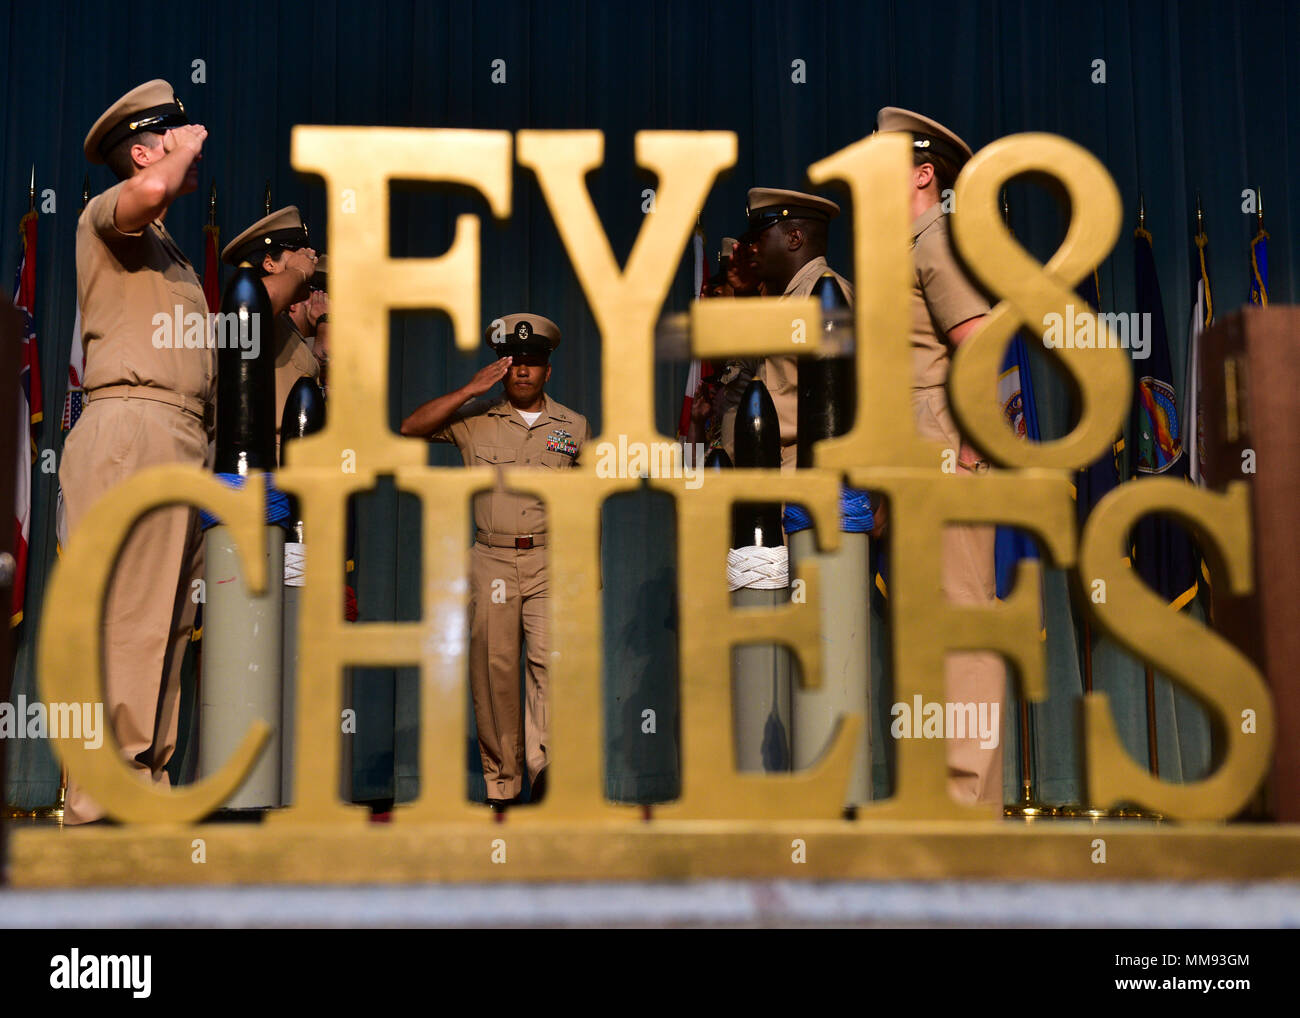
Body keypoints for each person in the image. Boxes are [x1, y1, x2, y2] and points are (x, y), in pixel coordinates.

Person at [60, 79, 211, 824]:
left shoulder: (170, 253)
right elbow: (146, 194)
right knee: (127, 610)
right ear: (147, 148)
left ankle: (143, 778)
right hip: (132, 425)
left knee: (168, 616)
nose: (196, 145)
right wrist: (174, 160)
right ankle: (104, 792)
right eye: (177, 138)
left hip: (180, 433)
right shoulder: (108, 215)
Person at [400, 314, 588, 807]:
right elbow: (411, 427)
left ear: (549, 371)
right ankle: (503, 780)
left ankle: (546, 769)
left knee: (552, 665)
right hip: (491, 560)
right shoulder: (475, 418)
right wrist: (469, 389)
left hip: (550, 558)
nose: (523, 371)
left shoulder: (573, 425)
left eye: (533, 363)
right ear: (502, 369)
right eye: (514, 363)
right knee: (495, 670)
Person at [876, 105, 1003, 807]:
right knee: (929, 628)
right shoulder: (900, 249)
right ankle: (939, 798)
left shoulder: (936, 241)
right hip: (914, 452)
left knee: (963, 626)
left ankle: (968, 805)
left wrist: (974, 454)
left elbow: (980, 344)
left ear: (923, 173)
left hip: (946, 447)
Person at [716, 189, 853, 470]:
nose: (750, 248)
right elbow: (742, 383)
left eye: (759, 238)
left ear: (794, 238)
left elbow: (853, 399)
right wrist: (744, 298)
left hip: (808, 475)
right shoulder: (785, 301)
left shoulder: (826, 294)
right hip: (772, 472)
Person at [220, 206, 322, 451]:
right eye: (296, 253)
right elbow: (255, 302)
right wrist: (298, 272)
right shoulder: (252, 305)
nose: (309, 261)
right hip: (263, 455)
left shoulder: (285, 326)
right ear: (269, 264)